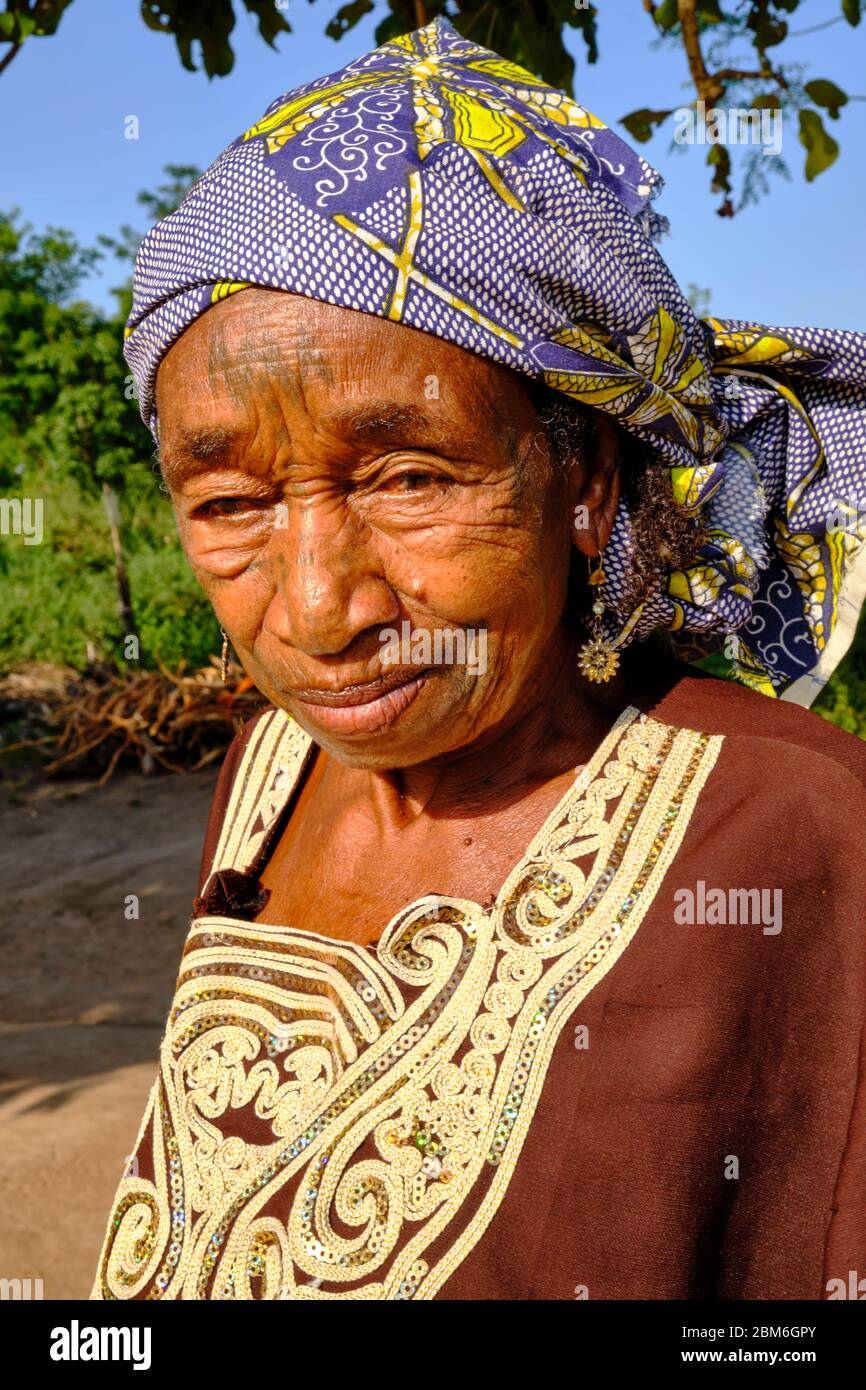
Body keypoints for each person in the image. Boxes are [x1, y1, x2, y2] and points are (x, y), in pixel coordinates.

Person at [92, 17, 866, 1301]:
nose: (321, 611)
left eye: (408, 477)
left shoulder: (797, 826)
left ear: (587, 479)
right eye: (229, 504)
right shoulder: (269, 768)